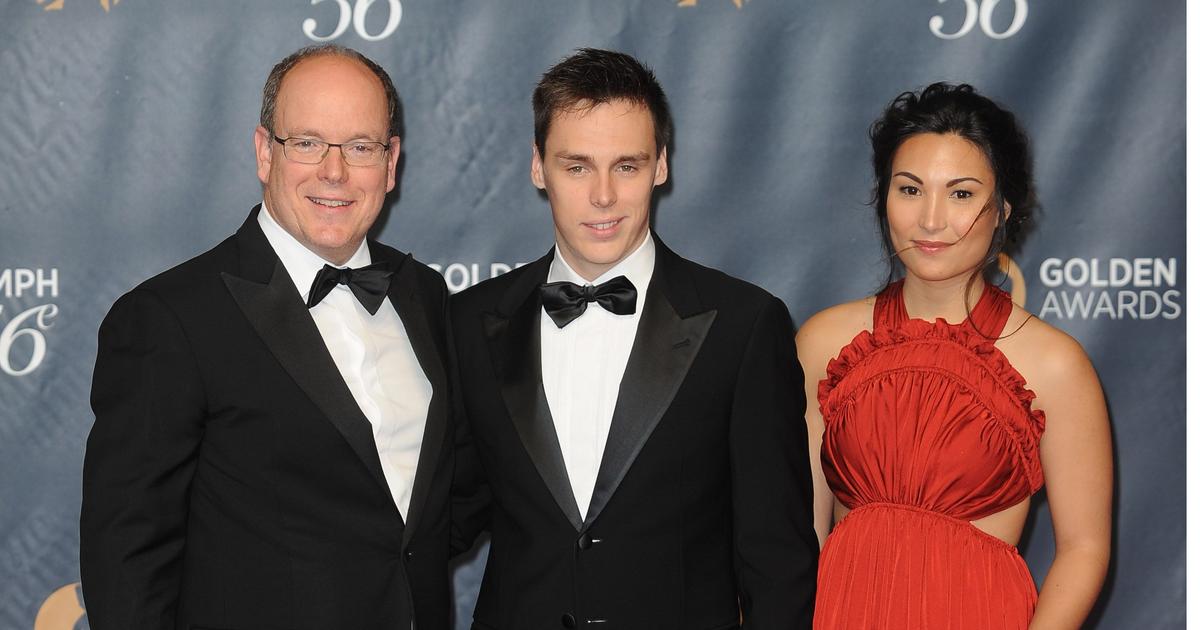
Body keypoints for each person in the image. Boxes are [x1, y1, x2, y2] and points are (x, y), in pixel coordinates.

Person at [80, 45, 455, 630]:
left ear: (391, 161)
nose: (334, 172)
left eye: (361, 147)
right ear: (264, 153)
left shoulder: (423, 295)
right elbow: (127, 557)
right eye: (307, 142)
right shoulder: (169, 319)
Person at [449, 48, 819, 629]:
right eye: (576, 166)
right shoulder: (470, 323)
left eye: (626, 166)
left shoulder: (744, 326)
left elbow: (777, 558)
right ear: (538, 167)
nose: (603, 195)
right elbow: (444, 514)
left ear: (661, 165)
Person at [796, 83, 1112, 629]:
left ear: (1002, 211)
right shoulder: (823, 341)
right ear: (884, 197)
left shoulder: (1055, 364)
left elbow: (1084, 549)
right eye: (910, 189)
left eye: (962, 194)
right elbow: (799, 531)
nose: (932, 220)